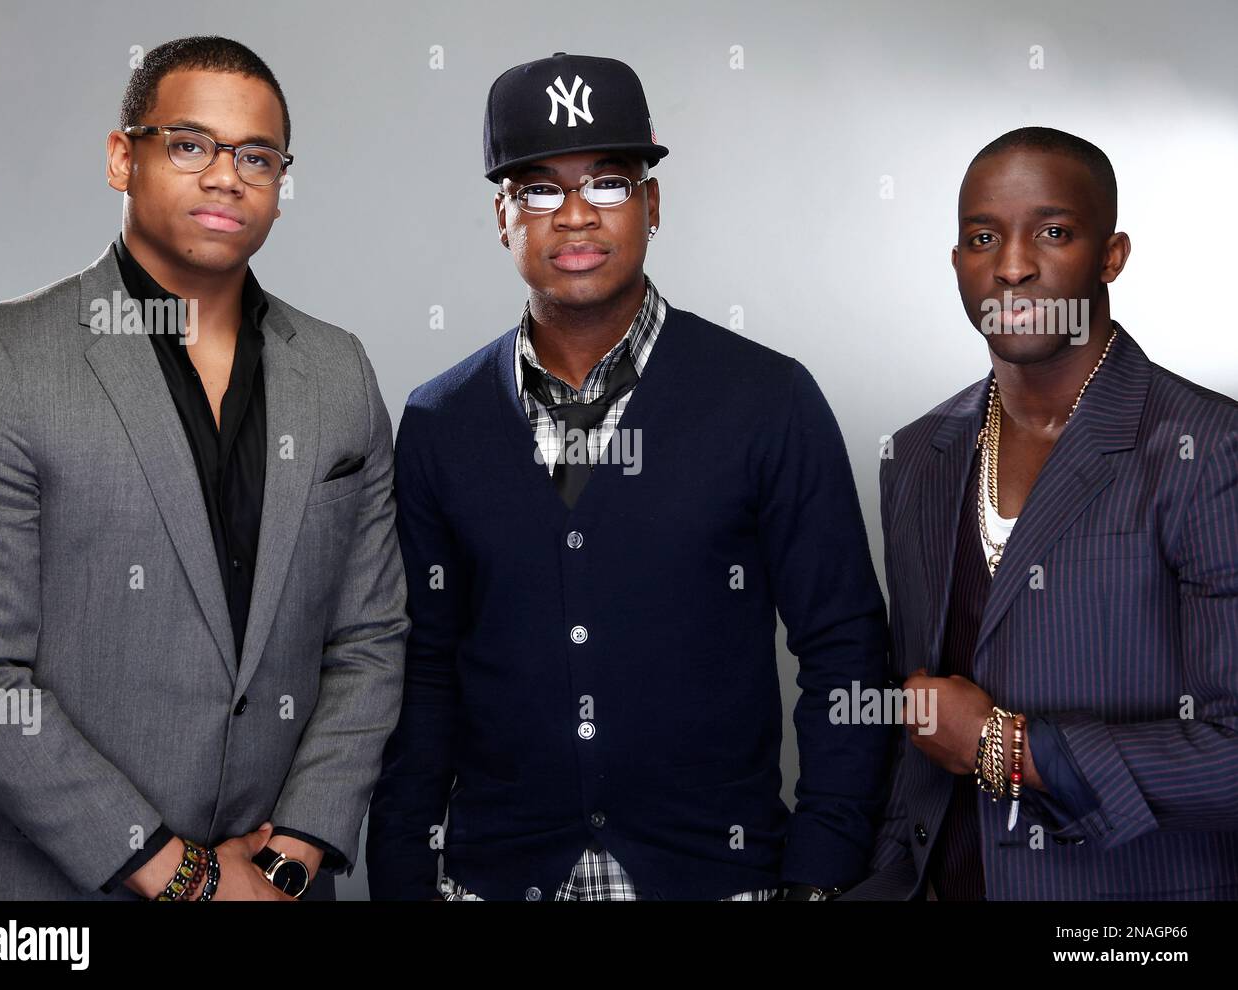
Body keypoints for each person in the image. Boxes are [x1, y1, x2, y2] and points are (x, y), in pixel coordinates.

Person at [364, 52, 889, 901]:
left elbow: (845, 650)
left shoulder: (767, 398)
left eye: (608, 182)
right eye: (538, 189)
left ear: (651, 203)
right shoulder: (438, 421)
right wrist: (400, 870)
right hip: (493, 878)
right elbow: (422, 669)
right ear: (501, 215)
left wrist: (822, 873)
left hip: (721, 876)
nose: (575, 216)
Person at [0, 35, 408, 900]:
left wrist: (291, 854)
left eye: (256, 157)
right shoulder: (3, 360)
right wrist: (186, 876)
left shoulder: (340, 373)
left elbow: (369, 640)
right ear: (124, 157)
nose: (226, 176)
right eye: (190, 145)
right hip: (59, 901)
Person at [848, 126, 1238, 900]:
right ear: (956, 259)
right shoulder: (919, 455)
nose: (1014, 266)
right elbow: (914, 715)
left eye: (1053, 232)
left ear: (1111, 255)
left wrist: (1008, 747)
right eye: (983, 236)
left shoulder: (1208, 450)